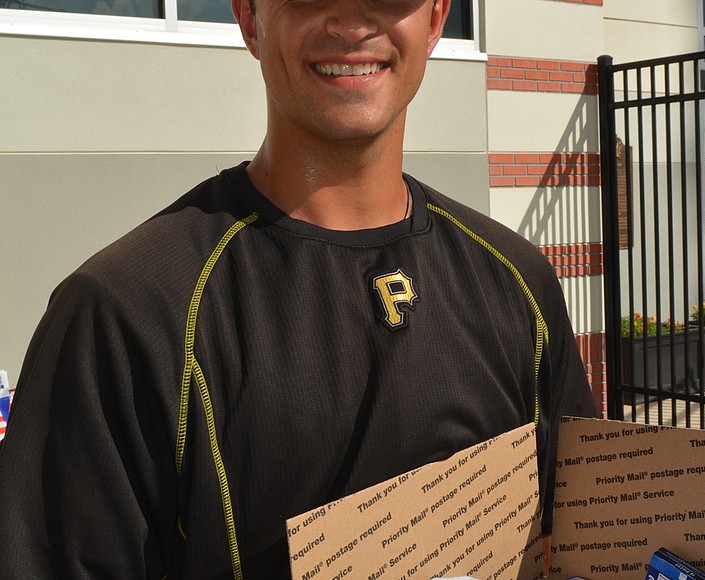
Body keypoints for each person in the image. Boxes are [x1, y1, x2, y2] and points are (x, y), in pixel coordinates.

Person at [0, 0, 598, 578]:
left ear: (438, 16)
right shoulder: (126, 312)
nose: (351, 22)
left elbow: (584, 543)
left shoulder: (518, 280)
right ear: (249, 18)